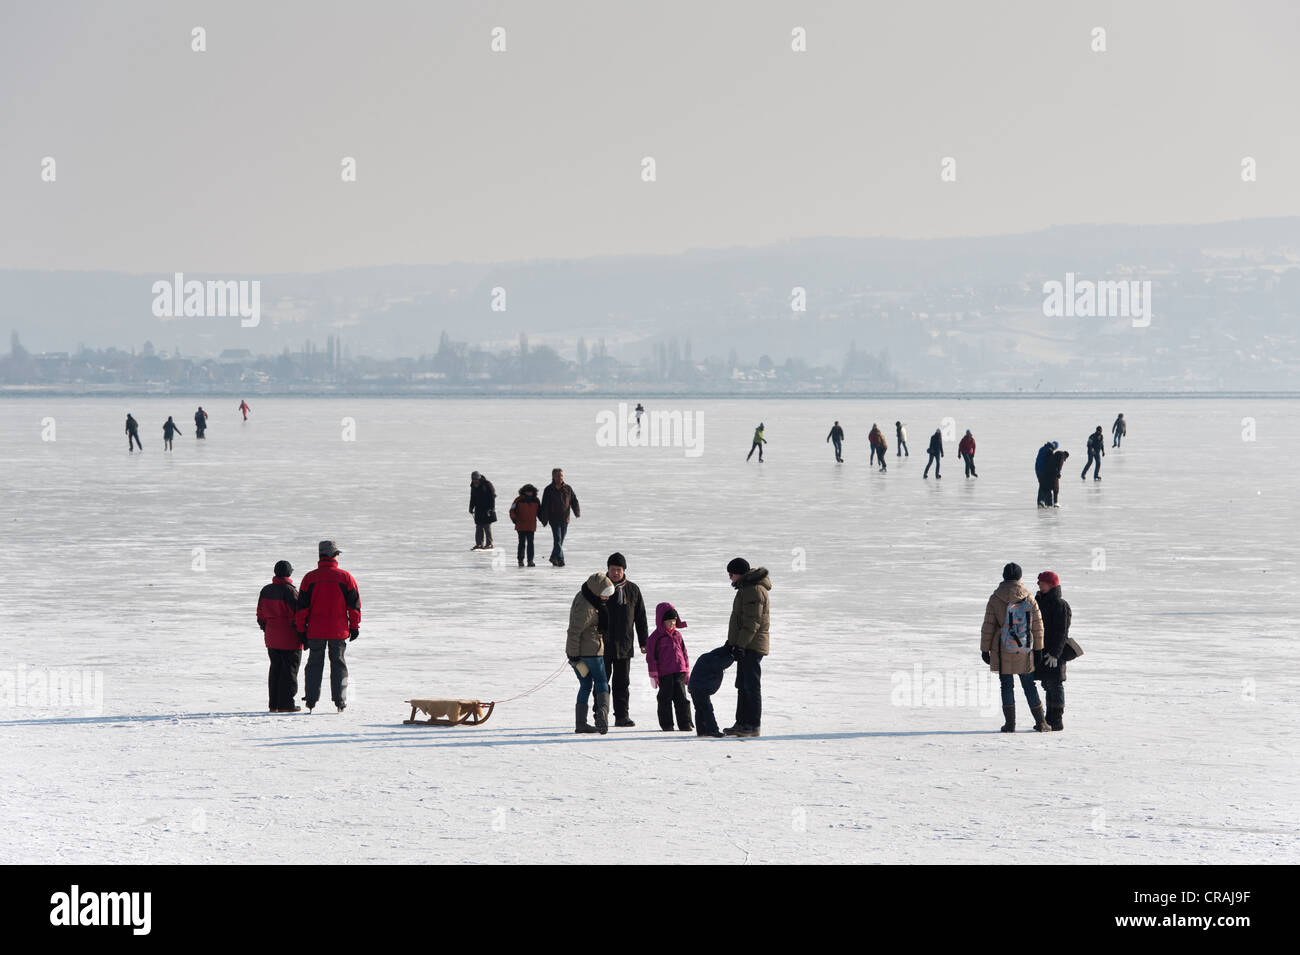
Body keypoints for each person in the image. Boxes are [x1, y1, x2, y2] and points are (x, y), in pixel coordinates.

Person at [688, 558, 771, 738]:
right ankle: (741, 723)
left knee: (751, 686)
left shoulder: (754, 590)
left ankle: (752, 724)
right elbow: (741, 621)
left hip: (751, 646)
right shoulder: (746, 588)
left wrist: (740, 644)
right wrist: (733, 643)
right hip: (745, 644)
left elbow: (752, 623)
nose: (730, 578)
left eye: (731, 574)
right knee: (742, 685)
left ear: (739, 573)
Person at [980, 562, 1047, 732]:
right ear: (1019, 578)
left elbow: (988, 625)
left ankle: (1010, 724)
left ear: (1004, 577)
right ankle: (1041, 722)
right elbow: (1038, 626)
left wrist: (984, 649)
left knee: (1006, 686)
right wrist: (1038, 649)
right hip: (1025, 649)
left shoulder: (995, 598)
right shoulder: (1028, 597)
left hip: (1003, 649)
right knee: (1029, 685)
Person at [295, 540, 361, 713]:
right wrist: (354, 626)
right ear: (333, 555)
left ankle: (310, 700)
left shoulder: (310, 578)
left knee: (314, 664)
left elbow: (302, 608)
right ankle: (340, 700)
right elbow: (354, 606)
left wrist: (301, 630)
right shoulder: (346, 577)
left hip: (315, 630)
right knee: (339, 664)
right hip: (338, 631)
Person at [603, 552, 649, 727]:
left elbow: (641, 617)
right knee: (601, 682)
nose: (615, 573)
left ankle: (622, 716)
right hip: (602, 645)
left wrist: (643, 642)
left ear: (624, 571)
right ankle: (601, 715)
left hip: (624, 644)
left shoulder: (632, 590)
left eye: (619, 570)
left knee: (622, 683)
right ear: (608, 569)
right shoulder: (599, 587)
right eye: (613, 569)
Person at [567, 572, 614, 735]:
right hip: (592, 652)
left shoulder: (585, 597)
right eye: (605, 594)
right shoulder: (588, 607)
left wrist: (573, 655)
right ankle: (602, 713)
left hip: (580, 653)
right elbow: (574, 631)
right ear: (597, 590)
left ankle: (581, 723)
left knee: (585, 685)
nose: (606, 598)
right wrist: (573, 656)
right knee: (602, 683)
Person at [257, 560, 302, 713]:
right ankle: (287, 704)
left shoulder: (266, 590)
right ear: (289, 573)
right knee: (289, 671)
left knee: (275, 670)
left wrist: (267, 628)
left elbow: (260, 614)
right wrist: (303, 634)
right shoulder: (290, 591)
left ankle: (274, 704)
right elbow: (298, 616)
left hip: (271, 638)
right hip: (289, 638)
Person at [1033, 571, 1071, 732]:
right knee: (1047, 684)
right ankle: (1049, 719)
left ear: (1051, 584)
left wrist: (1055, 653)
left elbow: (1062, 632)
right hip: (1042, 651)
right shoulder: (1038, 601)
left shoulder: (1060, 604)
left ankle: (1056, 719)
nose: (1039, 585)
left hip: (1055, 653)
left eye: (1042, 582)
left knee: (1055, 684)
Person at [646, 602, 693, 732]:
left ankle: (685, 723)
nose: (672, 623)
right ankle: (667, 725)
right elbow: (651, 657)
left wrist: (687, 670)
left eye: (674, 620)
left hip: (679, 671)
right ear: (661, 621)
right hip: (664, 673)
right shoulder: (655, 638)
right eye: (669, 621)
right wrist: (654, 674)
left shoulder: (678, 635)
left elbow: (684, 653)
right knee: (664, 699)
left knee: (682, 699)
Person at [539, 468, 580, 567]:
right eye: (558, 475)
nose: (560, 477)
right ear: (553, 476)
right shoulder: (549, 489)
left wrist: (576, 511)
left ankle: (553, 557)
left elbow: (574, 500)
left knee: (560, 540)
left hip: (565, 518)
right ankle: (561, 560)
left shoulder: (567, 488)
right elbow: (544, 505)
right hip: (554, 519)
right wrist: (544, 518)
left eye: (561, 475)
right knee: (557, 539)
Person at [509, 483, 540, 566]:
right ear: (524, 491)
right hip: (520, 525)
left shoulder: (536, 500)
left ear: (533, 492)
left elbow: (539, 512)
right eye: (527, 491)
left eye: (530, 492)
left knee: (530, 544)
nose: (529, 493)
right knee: (521, 543)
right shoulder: (518, 500)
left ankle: (530, 561)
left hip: (531, 526)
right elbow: (512, 510)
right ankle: (520, 560)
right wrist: (514, 519)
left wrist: (544, 519)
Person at [469, 471, 497, 550]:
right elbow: (472, 498)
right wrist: (471, 507)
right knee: (478, 527)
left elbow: (492, 497)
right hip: (478, 509)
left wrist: (492, 508)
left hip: (487, 508)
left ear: (479, 478)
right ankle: (479, 544)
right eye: (473, 479)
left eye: (476, 479)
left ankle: (489, 544)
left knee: (486, 526)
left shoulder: (487, 484)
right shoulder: (473, 486)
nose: (474, 480)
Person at [1034, 441, 1058, 508]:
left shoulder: (1043, 448)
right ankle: (1044, 502)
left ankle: (1044, 502)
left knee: (1043, 485)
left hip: (1037, 469)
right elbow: (1048, 461)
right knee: (1044, 485)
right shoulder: (1049, 450)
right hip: (1043, 470)